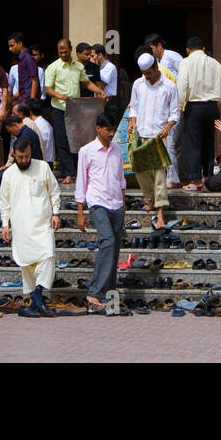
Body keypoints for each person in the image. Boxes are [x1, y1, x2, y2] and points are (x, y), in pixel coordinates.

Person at [0, 134, 61, 318]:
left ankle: (37, 299)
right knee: (26, 264)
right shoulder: (8, 174)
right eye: (20, 157)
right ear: (14, 155)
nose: (24, 160)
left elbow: (54, 192)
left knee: (48, 256)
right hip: (21, 227)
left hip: (43, 225)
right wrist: (5, 224)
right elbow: (4, 201)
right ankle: (37, 304)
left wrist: (56, 213)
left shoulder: (42, 167)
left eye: (26, 156)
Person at [76, 117, 126, 313]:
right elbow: (81, 182)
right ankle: (95, 292)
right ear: (98, 128)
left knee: (113, 250)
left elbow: (121, 179)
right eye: (107, 129)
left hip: (116, 204)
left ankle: (108, 295)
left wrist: (123, 204)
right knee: (108, 242)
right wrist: (81, 213)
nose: (111, 133)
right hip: (97, 203)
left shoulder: (117, 150)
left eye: (113, 129)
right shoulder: (86, 151)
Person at [125, 52, 179, 230]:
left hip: (158, 137)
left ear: (156, 67)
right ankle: (150, 199)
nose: (146, 76)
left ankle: (161, 213)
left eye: (148, 72)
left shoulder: (170, 86)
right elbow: (134, 106)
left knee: (159, 175)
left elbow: (175, 113)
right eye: (144, 73)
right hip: (141, 134)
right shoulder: (138, 84)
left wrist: (168, 127)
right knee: (140, 170)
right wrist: (132, 123)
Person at [43, 38, 105, 184]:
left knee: (78, 140)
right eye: (60, 52)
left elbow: (87, 82)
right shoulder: (53, 67)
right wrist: (59, 95)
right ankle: (68, 173)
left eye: (65, 51)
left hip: (76, 109)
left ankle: (79, 171)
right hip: (59, 108)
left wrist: (100, 92)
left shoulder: (78, 66)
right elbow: (48, 89)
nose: (63, 54)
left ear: (71, 49)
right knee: (62, 140)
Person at [176, 37, 221, 190]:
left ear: (187, 50)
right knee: (209, 142)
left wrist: (179, 107)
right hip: (212, 106)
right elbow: (219, 87)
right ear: (203, 48)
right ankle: (209, 176)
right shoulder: (216, 63)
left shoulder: (186, 61)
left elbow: (182, 85)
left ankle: (194, 179)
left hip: (195, 105)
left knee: (192, 143)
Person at [0, 115, 43, 188]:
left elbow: (22, 157)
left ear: (14, 125)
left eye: (10, 131)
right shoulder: (26, 132)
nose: (12, 134)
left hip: (28, 168)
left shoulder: (25, 135)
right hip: (25, 166)